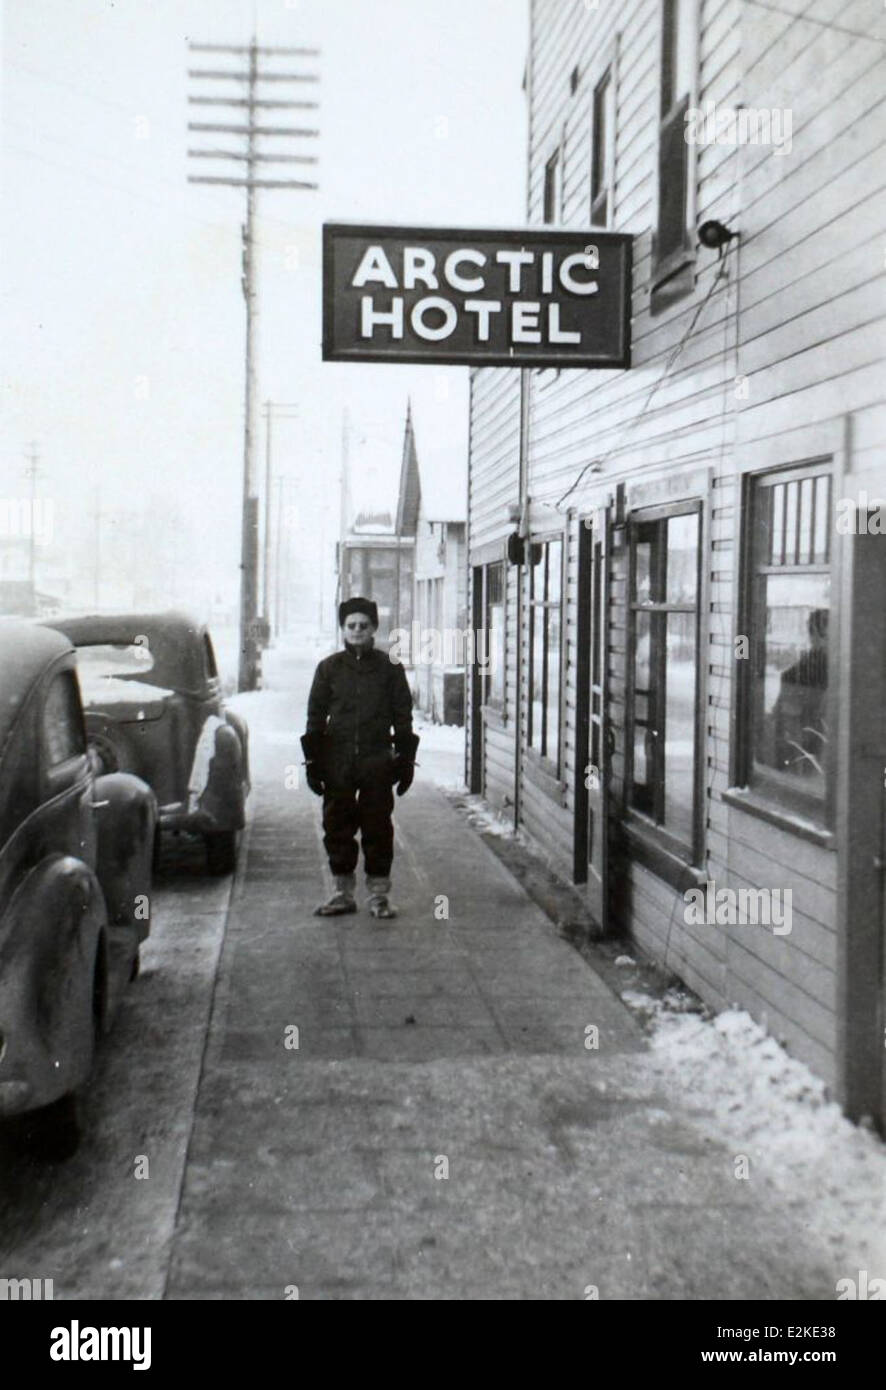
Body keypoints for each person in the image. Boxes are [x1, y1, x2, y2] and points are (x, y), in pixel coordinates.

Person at [301, 597, 419, 919]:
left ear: (374, 629)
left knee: (377, 827)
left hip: (376, 760)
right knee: (337, 826)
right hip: (337, 760)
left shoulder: (389, 668)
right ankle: (341, 893)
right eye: (351, 625)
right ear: (342, 629)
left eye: (363, 626)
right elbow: (315, 717)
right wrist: (313, 763)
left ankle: (379, 896)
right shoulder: (328, 669)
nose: (357, 631)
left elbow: (403, 715)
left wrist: (405, 760)